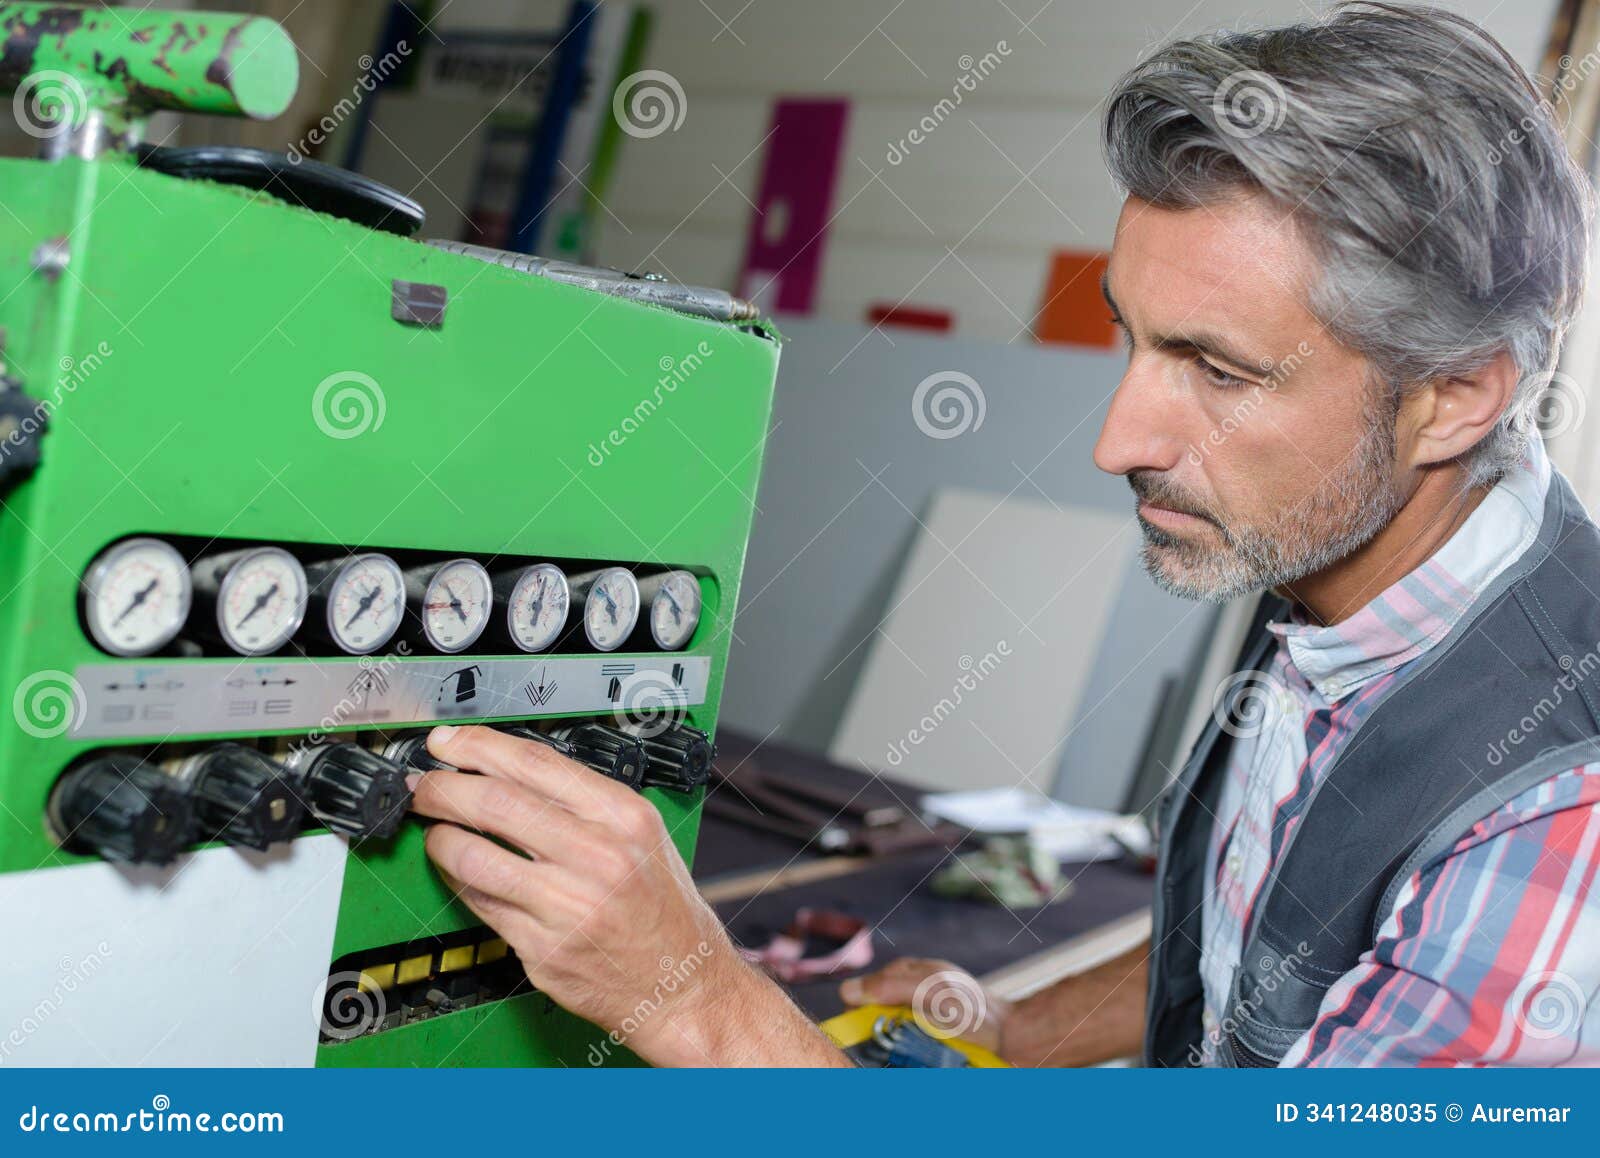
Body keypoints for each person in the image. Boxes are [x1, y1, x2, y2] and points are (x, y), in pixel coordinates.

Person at [407, 2, 1600, 1066]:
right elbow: (1270, 937)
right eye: (1134, 337)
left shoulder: (1553, 813)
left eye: (1220, 371)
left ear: (1455, 397)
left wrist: (694, 1002)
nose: (1118, 441)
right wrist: (1024, 1030)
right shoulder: (1352, 558)